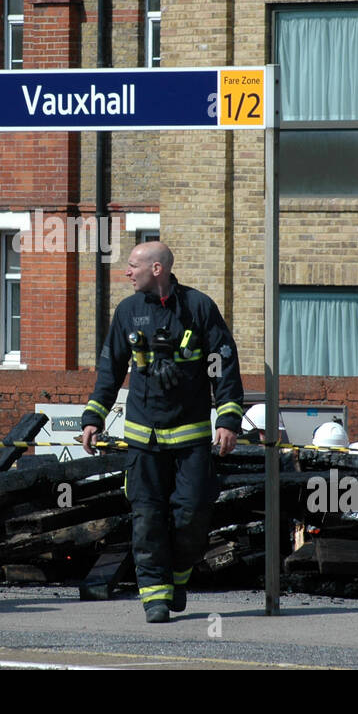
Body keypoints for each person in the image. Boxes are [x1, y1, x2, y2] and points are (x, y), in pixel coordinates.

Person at [81, 241, 244, 623]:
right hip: (144, 439)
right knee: (147, 518)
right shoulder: (127, 312)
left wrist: (228, 420)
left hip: (190, 440)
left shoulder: (199, 308)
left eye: (133, 265)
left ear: (157, 269)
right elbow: (110, 370)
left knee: (191, 516)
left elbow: (223, 364)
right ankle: (155, 597)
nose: (127, 272)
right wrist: (93, 416)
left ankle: (177, 577)